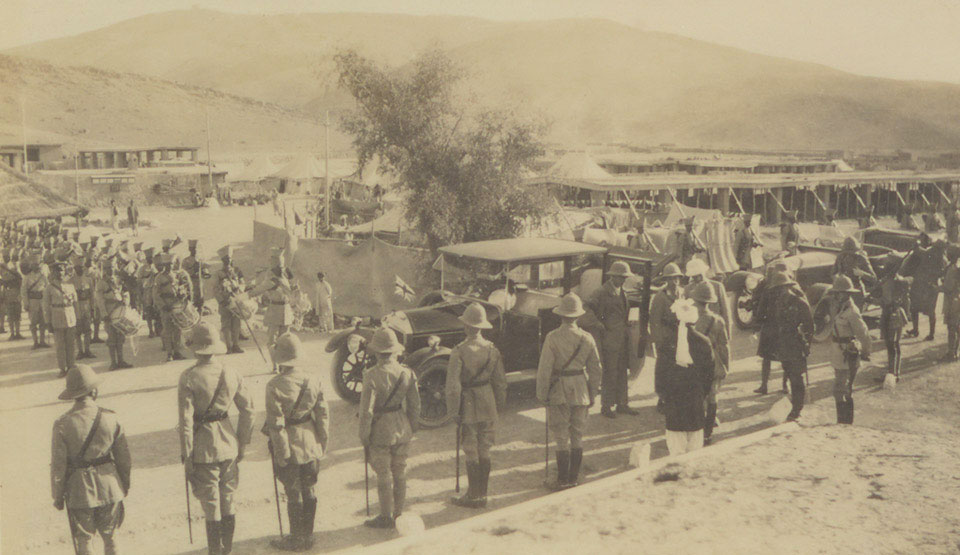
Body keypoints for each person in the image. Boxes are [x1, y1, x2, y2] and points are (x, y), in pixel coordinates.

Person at [178, 321, 255, 555]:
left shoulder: (189, 377)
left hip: (203, 448)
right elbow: (248, 410)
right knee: (228, 499)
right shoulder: (230, 372)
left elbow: (186, 421)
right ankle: (227, 550)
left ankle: (215, 551)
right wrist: (242, 443)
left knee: (211, 505)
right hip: (229, 444)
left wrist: (187, 455)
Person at [51, 364, 131, 555]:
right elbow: (124, 459)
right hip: (110, 486)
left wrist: (58, 495)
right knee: (112, 537)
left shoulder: (62, 424)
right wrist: (124, 485)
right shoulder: (111, 418)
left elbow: (58, 466)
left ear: (72, 394)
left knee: (84, 540)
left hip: (79, 490)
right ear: (94, 391)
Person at [262, 333, 329, 551]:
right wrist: (322, 442)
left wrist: (282, 453)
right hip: (310, 441)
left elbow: (276, 424)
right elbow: (323, 415)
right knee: (309, 487)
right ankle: (308, 536)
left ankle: (296, 537)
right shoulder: (314, 379)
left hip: (289, 444)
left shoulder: (274, 385)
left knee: (293, 491)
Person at [536, 293, 602, 490]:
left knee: (561, 436)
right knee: (577, 434)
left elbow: (545, 369)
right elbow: (596, 370)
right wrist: (592, 393)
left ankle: (562, 479)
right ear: (578, 316)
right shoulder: (587, 338)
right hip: (581, 388)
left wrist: (542, 394)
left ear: (561, 315)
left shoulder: (552, 337)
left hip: (559, 390)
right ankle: (573, 478)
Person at [358, 327, 421, 529]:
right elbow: (415, 405)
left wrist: (364, 435)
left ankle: (385, 516)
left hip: (380, 430)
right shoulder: (406, 373)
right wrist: (411, 426)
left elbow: (367, 412)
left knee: (383, 473)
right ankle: (399, 514)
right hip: (402, 426)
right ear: (395, 351)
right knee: (400, 471)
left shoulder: (371, 375)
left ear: (376, 352)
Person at [445, 303, 507, 508]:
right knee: (485, 447)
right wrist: (498, 405)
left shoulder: (459, 351)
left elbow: (453, 386)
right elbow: (500, 382)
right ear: (480, 326)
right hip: (487, 401)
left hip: (468, 403)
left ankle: (473, 496)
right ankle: (483, 494)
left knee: (470, 448)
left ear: (466, 326)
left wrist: (453, 411)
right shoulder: (493, 350)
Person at [584, 260, 638, 418]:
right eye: (621, 277)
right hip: (609, 340)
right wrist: (597, 323)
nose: (624, 280)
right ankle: (606, 406)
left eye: (625, 277)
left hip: (621, 339)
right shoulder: (601, 292)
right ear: (613, 276)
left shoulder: (622, 291)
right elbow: (586, 308)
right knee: (610, 372)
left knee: (622, 372)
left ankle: (622, 404)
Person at [660, 299, 715, 455]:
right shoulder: (704, 342)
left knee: (676, 449)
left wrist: (664, 396)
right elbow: (708, 376)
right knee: (694, 449)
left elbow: (660, 375)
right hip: (695, 402)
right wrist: (701, 393)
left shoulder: (668, 343)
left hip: (674, 403)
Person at [826, 275, 872, 424]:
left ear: (846, 294)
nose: (836, 295)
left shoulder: (852, 311)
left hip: (848, 354)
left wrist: (866, 352)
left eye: (838, 293)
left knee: (842, 389)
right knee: (840, 388)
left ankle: (845, 422)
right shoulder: (839, 308)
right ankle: (843, 421)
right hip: (838, 353)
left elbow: (863, 334)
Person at [771, 272, 815, 421]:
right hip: (784, 344)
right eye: (777, 289)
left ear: (788, 287)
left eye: (781, 288)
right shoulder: (778, 303)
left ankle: (797, 409)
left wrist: (806, 344)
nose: (779, 291)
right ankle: (794, 405)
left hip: (796, 344)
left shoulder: (799, 303)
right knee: (789, 374)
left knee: (797, 378)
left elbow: (809, 325)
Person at [690, 282, 729, 443]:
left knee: (697, 396)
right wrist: (725, 366)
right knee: (713, 396)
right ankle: (708, 432)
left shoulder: (691, 320)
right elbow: (724, 346)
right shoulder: (718, 320)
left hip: (696, 363)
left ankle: (697, 429)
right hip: (713, 362)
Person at [248, 248, 296, 371]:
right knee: (273, 341)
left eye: (282, 267)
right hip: (275, 310)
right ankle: (275, 366)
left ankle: (283, 366)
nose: (281, 270)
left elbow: (293, 289)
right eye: (279, 268)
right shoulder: (272, 280)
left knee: (285, 341)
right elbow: (257, 291)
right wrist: (244, 295)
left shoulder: (285, 277)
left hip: (285, 310)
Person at [649, 263, 683, 403]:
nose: (674, 282)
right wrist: (659, 341)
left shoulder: (682, 293)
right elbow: (654, 321)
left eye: (676, 278)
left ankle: (676, 396)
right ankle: (662, 398)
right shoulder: (660, 297)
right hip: (666, 337)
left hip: (679, 336)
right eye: (670, 279)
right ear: (665, 280)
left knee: (679, 367)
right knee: (664, 369)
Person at [873, 254, 911, 377]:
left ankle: (891, 373)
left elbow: (886, 301)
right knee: (895, 344)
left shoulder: (888, 282)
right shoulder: (901, 280)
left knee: (891, 345)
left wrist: (871, 300)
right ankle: (895, 371)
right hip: (898, 313)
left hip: (890, 315)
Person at [905, 236, 946, 341]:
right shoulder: (931, 254)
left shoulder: (940, 258)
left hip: (929, 287)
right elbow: (919, 251)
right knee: (915, 308)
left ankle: (930, 333)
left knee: (929, 311)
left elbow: (943, 274)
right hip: (921, 285)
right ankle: (916, 329)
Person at [154, 253, 193, 361]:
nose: (169, 266)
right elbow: (156, 294)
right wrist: (162, 305)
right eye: (166, 264)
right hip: (166, 306)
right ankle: (169, 353)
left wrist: (183, 296)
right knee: (167, 330)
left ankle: (177, 352)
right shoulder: (159, 277)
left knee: (177, 330)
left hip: (176, 305)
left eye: (171, 264)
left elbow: (182, 288)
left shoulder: (177, 275)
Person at [43, 262, 80, 377]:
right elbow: (46, 307)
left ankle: (71, 366)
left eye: (62, 270)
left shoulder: (70, 286)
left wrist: (78, 318)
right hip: (57, 317)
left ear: (65, 272)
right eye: (57, 271)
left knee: (71, 344)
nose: (60, 273)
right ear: (53, 273)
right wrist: (48, 322)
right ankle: (62, 368)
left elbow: (76, 304)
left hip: (70, 316)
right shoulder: (49, 288)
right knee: (60, 346)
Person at [98, 258, 132, 370]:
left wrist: (125, 302)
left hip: (120, 311)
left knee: (120, 336)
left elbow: (125, 292)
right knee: (112, 338)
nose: (110, 270)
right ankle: (113, 362)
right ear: (104, 269)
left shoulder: (119, 280)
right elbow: (100, 300)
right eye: (108, 268)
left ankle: (121, 360)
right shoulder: (101, 283)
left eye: (112, 267)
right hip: (109, 312)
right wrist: (104, 314)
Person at [684, 258, 730, 336]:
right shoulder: (687, 289)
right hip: (698, 332)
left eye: (700, 275)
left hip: (715, 328)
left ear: (704, 273)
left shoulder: (717, 286)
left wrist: (727, 334)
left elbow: (726, 312)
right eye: (695, 276)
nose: (698, 278)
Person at [213, 246, 246, 354]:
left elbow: (243, 283)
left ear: (232, 260)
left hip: (236, 301)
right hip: (225, 302)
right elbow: (215, 289)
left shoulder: (237, 271)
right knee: (226, 324)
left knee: (236, 324)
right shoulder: (218, 274)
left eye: (229, 260)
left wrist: (239, 289)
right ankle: (229, 346)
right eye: (225, 260)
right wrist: (222, 300)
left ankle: (236, 345)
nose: (228, 262)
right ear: (222, 261)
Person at [21, 255, 49, 348]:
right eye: (34, 265)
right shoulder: (27, 277)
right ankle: (35, 342)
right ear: (31, 266)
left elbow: (47, 287)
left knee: (43, 321)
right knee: (33, 322)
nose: (36, 267)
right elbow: (24, 291)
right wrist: (26, 303)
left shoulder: (43, 276)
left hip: (42, 300)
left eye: (38, 264)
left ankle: (42, 341)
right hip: (32, 301)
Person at [72, 261, 96, 360]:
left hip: (86, 305)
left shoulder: (89, 280)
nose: (80, 269)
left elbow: (92, 295)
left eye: (82, 267)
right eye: (78, 267)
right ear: (75, 268)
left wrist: (92, 308)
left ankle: (87, 350)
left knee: (87, 330)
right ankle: (80, 351)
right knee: (77, 331)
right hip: (76, 306)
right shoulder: (71, 281)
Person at [941, 256, 960, 362]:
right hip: (957, 298)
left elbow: (948, 287)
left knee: (952, 327)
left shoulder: (952, 269)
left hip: (953, 300)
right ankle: (955, 351)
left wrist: (936, 288)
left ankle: (951, 353)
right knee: (957, 326)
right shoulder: (956, 267)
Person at [182, 240, 209, 313]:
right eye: (193, 249)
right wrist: (193, 270)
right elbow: (184, 273)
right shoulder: (186, 260)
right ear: (190, 249)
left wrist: (205, 273)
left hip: (199, 284)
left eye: (196, 249)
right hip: (190, 284)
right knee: (191, 303)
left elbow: (203, 270)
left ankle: (200, 318)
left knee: (200, 303)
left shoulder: (199, 259)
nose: (195, 250)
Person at [1, 259, 24, 340]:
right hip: (13, 297)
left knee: (15, 316)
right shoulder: (15, 275)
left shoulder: (8, 276)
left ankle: (15, 333)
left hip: (12, 296)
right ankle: (15, 333)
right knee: (13, 316)